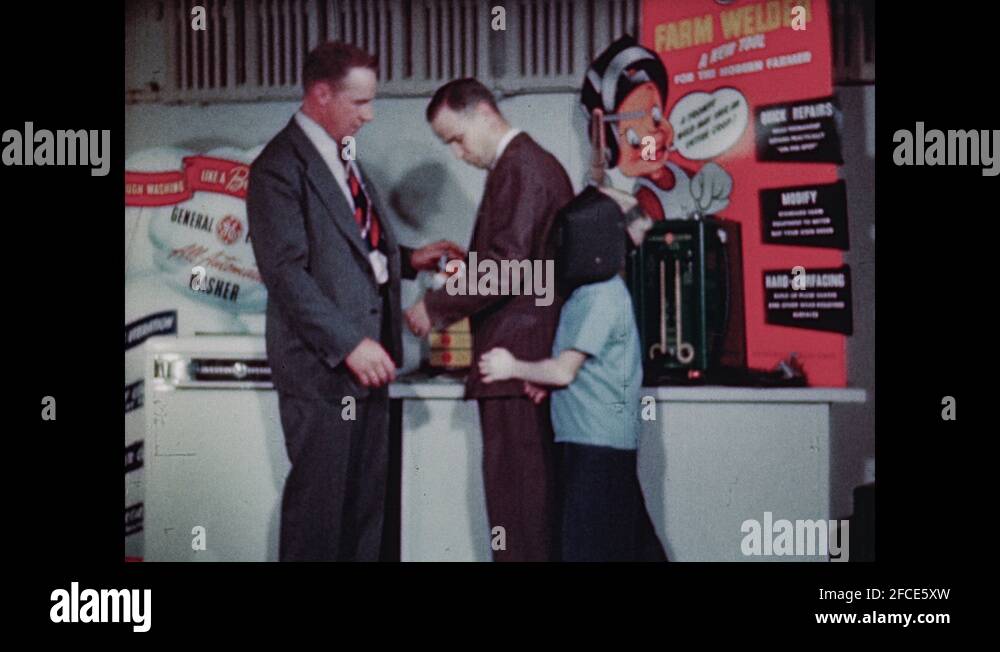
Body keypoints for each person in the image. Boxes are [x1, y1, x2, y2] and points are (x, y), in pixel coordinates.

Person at [247, 41, 462, 562]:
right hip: (325, 373)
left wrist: (409, 260)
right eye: (360, 102)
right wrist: (348, 345)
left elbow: (352, 248)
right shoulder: (278, 168)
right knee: (320, 519)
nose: (369, 115)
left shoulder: (341, 157)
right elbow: (286, 274)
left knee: (365, 514)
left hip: (368, 367)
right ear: (321, 94)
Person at [404, 78, 574, 561]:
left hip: (513, 363)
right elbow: (523, 266)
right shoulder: (528, 165)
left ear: (483, 112)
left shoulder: (520, 166)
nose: (458, 154)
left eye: (457, 139)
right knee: (525, 510)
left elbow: (508, 267)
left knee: (517, 514)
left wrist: (434, 306)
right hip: (523, 361)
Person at [477, 203, 668, 562]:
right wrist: (542, 378)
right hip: (599, 441)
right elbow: (576, 368)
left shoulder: (600, 295)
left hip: (594, 445)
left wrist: (512, 367)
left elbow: (565, 370)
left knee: (587, 548)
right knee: (631, 545)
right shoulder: (594, 293)